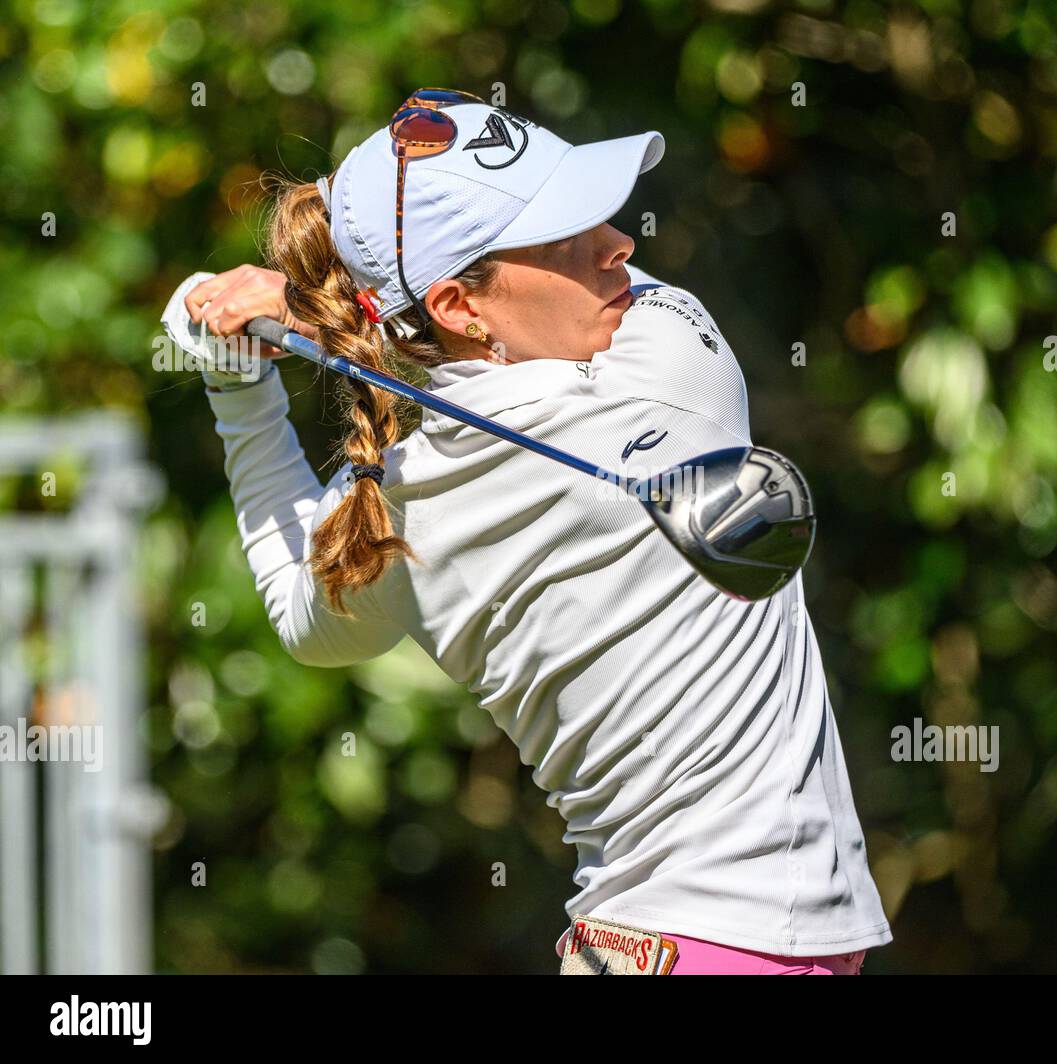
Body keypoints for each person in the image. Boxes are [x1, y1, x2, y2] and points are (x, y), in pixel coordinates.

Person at [184, 89, 892, 974]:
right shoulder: (668, 377)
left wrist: (238, 389)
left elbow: (301, 612)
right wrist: (318, 277)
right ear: (460, 305)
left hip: (640, 946)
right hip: (729, 946)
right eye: (564, 238)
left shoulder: (390, 511)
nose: (616, 246)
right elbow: (647, 297)